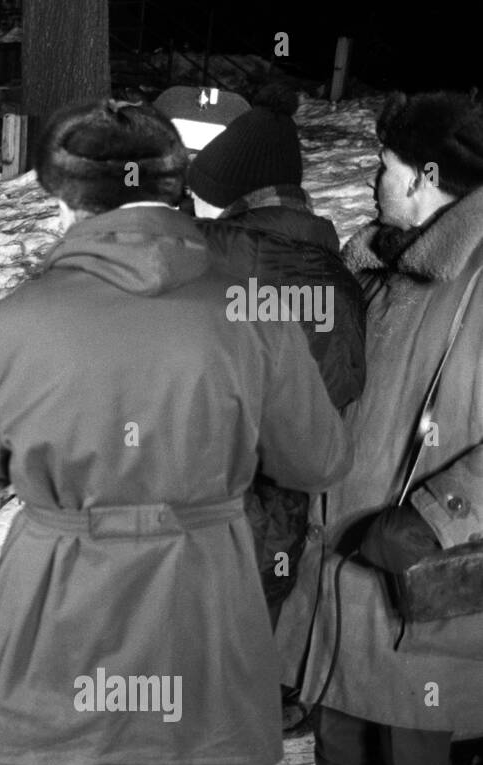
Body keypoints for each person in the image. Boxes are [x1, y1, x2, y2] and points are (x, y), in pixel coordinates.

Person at [0, 99, 351, 765]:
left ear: (68, 198)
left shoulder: (12, 322)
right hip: (192, 597)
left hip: (56, 600)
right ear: (172, 188)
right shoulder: (253, 305)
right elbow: (319, 459)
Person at [276, 91, 483, 765]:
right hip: (335, 574)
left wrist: (438, 514)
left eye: (385, 164)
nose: (371, 177)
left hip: (413, 585)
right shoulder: (374, 266)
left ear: (428, 174)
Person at [185, 85, 367, 626]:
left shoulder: (214, 266)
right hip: (268, 538)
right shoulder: (333, 278)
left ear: (229, 200)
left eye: (199, 192)